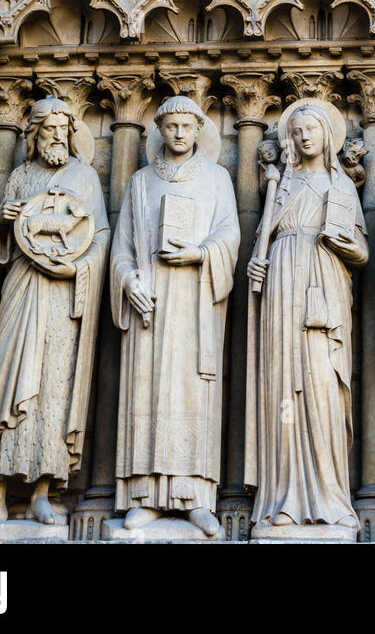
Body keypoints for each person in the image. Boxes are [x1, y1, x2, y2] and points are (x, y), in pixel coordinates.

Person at [0, 98, 108, 530]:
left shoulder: (85, 177)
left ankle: (44, 492)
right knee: (5, 380)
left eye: (64, 130)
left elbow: (98, 234)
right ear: (34, 135)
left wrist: (79, 266)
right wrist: (3, 225)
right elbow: (2, 252)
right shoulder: (20, 176)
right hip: (21, 289)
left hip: (61, 294)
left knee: (51, 386)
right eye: (49, 130)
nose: (57, 137)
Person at [110, 96, 239, 536]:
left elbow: (229, 236)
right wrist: (129, 282)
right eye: (172, 126)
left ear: (199, 129)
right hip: (151, 303)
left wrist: (199, 253)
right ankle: (143, 495)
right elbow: (121, 248)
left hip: (196, 301)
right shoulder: (141, 182)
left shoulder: (217, 178)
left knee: (191, 392)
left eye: (188, 126)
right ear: (160, 130)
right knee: (146, 390)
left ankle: (196, 496)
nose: (180, 133)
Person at [245, 101, 367, 531]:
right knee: (282, 386)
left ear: (327, 135)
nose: (304, 137)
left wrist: (340, 245)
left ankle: (330, 497)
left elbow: (362, 252)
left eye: (311, 129)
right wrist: (256, 265)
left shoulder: (341, 187)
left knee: (320, 386)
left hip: (325, 288)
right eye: (295, 132)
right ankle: (284, 497)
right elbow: (263, 236)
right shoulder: (280, 184)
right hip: (281, 285)